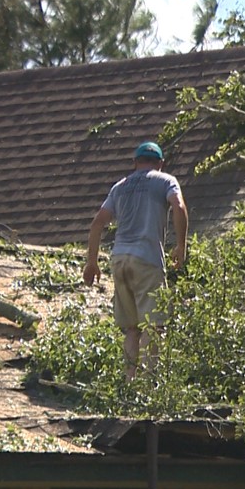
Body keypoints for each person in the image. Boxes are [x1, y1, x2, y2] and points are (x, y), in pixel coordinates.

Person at [83, 141, 188, 379]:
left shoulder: (119, 187)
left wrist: (92, 262)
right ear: (161, 163)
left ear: (135, 163)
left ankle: (130, 382)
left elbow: (98, 223)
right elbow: (179, 206)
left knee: (132, 329)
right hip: (147, 259)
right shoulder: (166, 180)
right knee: (153, 325)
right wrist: (181, 246)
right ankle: (149, 383)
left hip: (119, 259)